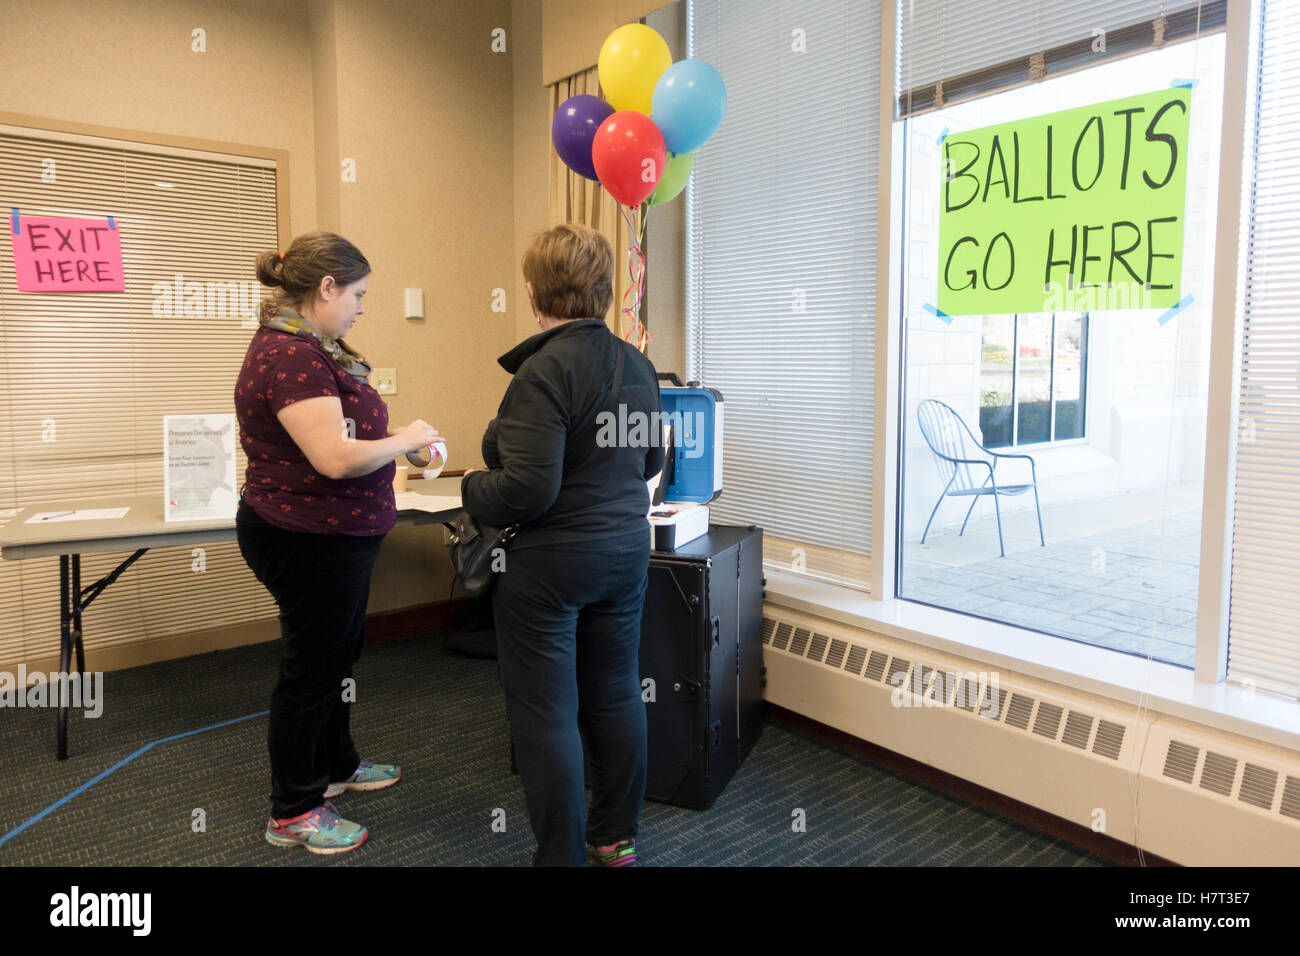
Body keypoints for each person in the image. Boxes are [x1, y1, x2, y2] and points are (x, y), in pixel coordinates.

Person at [462, 223, 665, 866]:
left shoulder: (541, 372)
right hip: (626, 554)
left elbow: (526, 492)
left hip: (550, 567)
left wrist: (471, 487)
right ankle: (614, 837)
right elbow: (653, 457)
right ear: (603, 290)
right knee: (614, 691)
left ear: (531, 292)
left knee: (547, 710)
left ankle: (560, 859)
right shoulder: (638, 364)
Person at [234, 231, 441, 855]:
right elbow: (331, 457)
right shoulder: (291, 355)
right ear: (325, 288)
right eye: (356, 294)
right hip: (305, 538)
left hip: (332, 534)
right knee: (312, 668)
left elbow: (342, 439)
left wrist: (396, 450)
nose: (361, 306)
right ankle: (294, 808)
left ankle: (338, 765)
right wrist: (407, 436)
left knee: (336, 657)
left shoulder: (312, 347)